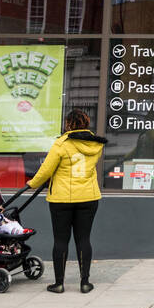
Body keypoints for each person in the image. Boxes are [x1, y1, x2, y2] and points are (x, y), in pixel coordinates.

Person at [28, 110, 107, 294]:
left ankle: (59, 283)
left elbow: (46, 170)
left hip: (62, 199)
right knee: (84, 239)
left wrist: (32, 184)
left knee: (61, 240)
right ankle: (85, 282)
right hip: (88, 197)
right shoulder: (95, 145)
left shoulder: (61, 144)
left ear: (68, 124)